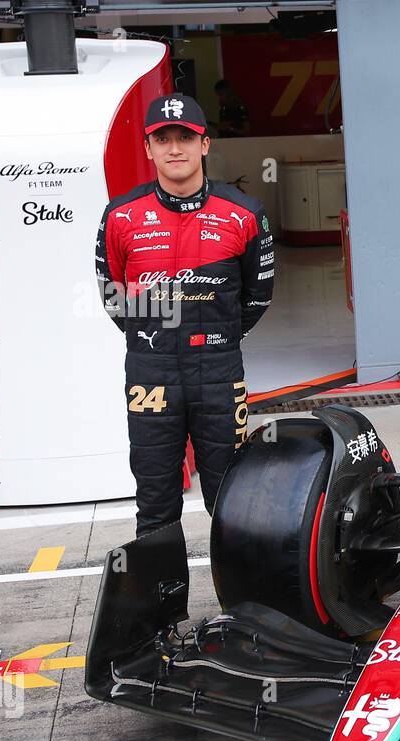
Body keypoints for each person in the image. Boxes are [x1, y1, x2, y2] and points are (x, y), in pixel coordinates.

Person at [95, 94, 274, 536]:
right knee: (155, 499)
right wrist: (156, 333)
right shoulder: (121, 215)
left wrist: (218, 336)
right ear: (148, 149)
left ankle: (240, 602)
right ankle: (162, 604)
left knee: (230, 498)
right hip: (150, 370)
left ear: (205, 145)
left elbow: (257, 296)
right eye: (163, 139)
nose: (175, 148)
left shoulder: (243, 214)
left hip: (218, 370)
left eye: (185, 138)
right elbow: (113, 295)